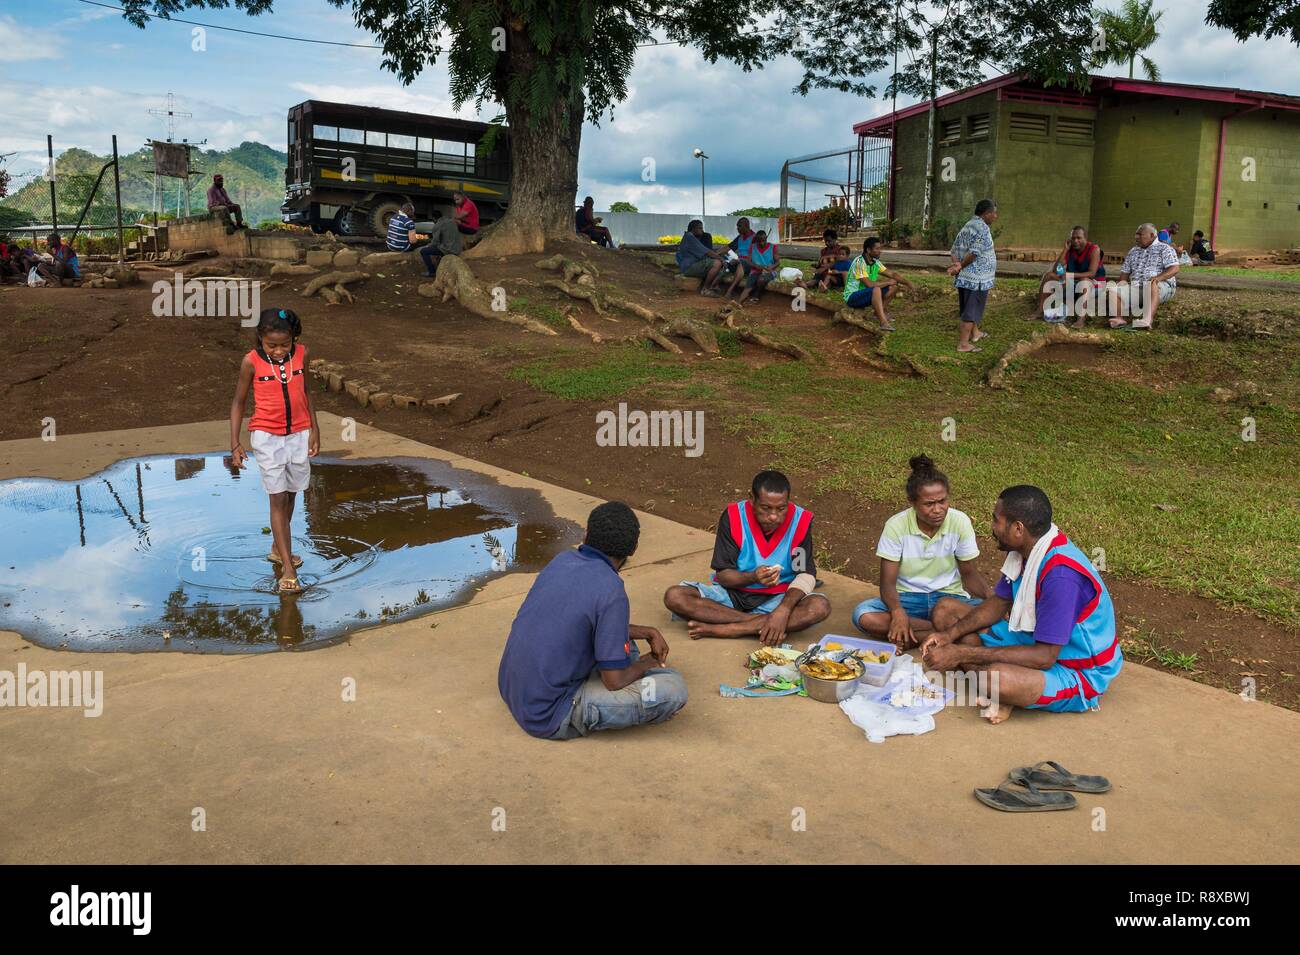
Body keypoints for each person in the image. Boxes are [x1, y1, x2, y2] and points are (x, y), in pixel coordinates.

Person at [920, 485, 1122, 724]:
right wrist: (949, 635)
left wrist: (960, 652)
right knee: (946, 611)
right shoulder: (1024, 549)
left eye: (996, 520)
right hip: (1032, 639)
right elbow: (999, 602)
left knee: (995, 678)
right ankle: (994, 691)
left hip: (1076, 669)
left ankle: (999, 688)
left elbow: (1044, 657)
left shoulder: (1061, 577)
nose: (992, 527)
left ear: (1018, 528)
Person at [498, 502, 687, 740]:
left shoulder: (562, 560)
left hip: (514, 688)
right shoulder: (611, 589)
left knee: (623, 646)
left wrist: (647, 632)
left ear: (586, 533)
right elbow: (614, 682)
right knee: (673, 689)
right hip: (548, 713)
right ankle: (589, 702)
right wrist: (648, 664)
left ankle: (614, 665)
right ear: (633, 548)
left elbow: (577, 623)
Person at [662, 470, 831, 645]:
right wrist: (753, 577)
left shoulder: (798, 522)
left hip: (778, 598)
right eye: (765, 508)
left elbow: (804, 572)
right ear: (752, 498)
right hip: (733, 596)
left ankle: (731, 629)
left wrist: (783, 610)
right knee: (675, 596)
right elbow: (724, 576)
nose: (773, 516)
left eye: (781, 508)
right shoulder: (734, 517)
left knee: (819, 606)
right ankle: (762, 623)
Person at [228, 307, 320, 595]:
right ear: (260, 338)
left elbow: (306, 392)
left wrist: (315, 429)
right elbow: (238, 403)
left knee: (292, 494)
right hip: (266, 437)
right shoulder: (251, 362)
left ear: (294, 339)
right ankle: (288, 570)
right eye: (272, 345)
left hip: (299, 434)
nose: (279, 350)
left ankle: (278, 548)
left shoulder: (303, 354)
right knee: (277, 498)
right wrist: (235, 443)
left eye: (285, 344)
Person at [854, 455, 989, 649]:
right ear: (912, 502)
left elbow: (969, 575)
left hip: (948, 599)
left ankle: (919, 635)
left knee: (991, 617)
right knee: (864, 615)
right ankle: (947, 633)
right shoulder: (896, 526)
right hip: (908, 600)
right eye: (929, 504)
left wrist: (994, 601)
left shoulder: (960, 521)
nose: (938, 509)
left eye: (942, 501)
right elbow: (887, 584)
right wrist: (898, 613)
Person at [1106, 223, 1178, 330]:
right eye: (1136, 234)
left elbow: (1174, 268)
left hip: (1159, 286)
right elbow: (1124, 275)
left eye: (1140, 235)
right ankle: (1119, 318)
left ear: (1152, 235)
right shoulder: (1133, 251)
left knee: (1151, 283)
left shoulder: (1164, 248)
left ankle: (1147, 320)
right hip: (1137, 287)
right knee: (1114, 289)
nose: (1136, 237)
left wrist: (1158, 278)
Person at [948, 198, 998, 353]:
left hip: (965, 277)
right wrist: (961, 266)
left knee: (970, 307)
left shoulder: (968, 225)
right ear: (987, 213)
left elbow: (954, 250)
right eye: (994, 213)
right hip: (976, 279)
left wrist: (957, 266)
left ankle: (975, 333)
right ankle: (963, 344)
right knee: (970, 310)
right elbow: (974, 253)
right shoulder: (982, 228)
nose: (995, 216)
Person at [1035, 225, 1105, 327]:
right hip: (1075, 283)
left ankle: (1081, 319)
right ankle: (1039, 311)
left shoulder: (1094, 249)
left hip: (1094, 284)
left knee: (1084, 281)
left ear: (1085, 238)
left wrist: (1069, 275)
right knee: (1049, 275)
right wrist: (1065, 250)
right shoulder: (1070, 250)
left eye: (1079, 238)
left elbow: (1091, 273)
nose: (1075, 241)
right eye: (1073, 238)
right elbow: (1056, 269)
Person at [843, 236, 912, 331]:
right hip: (852, 297)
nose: (880, 251)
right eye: (877, 248)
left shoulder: (875, 262)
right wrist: (887, 282)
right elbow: (870, 285)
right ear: (868, 250)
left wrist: (908, 283)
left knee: (894, 287)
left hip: (866, 294)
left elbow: (892, 274)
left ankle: (876, 313)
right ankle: (883, 322)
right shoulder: (859, 262)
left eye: (880, 248)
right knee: (876, 289)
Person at [676, 219, 731, 294]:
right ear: (693, 228)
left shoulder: (690, 237)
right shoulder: (689, 237)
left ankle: (713, 286)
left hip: (692, 265)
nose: (702, 230)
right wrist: (721, 259)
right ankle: (705, 289)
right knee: (717, 263)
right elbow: (707, 252)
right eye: (700, 228)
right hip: (689, 267)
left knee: (718, 264)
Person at [734, 229, 779, 306]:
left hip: (769, 272)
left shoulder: (772, 247)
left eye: (763, 241)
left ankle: (756, 297)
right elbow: (748, 261)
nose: (762, 243)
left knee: (761, 279)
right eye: (759, 241)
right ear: (756, 240)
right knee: (748, 286)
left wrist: (771, 267)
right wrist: (757, 266)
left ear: (766, 239)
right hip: (755, 271)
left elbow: (778, 262)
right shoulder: (752, 247)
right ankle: (738, 303)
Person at [722, 217, 759, 298]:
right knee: (722, 261)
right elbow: (728, 247)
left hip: (749, 263)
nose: (737, 229)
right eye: (737, 226)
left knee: (740, 264)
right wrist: (715, 253)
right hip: (739, 261)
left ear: (746, 226)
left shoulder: (755, 238)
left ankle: (729, 291)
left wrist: (739, 260)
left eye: (739, 226)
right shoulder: (740, 237)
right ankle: (713, 286)